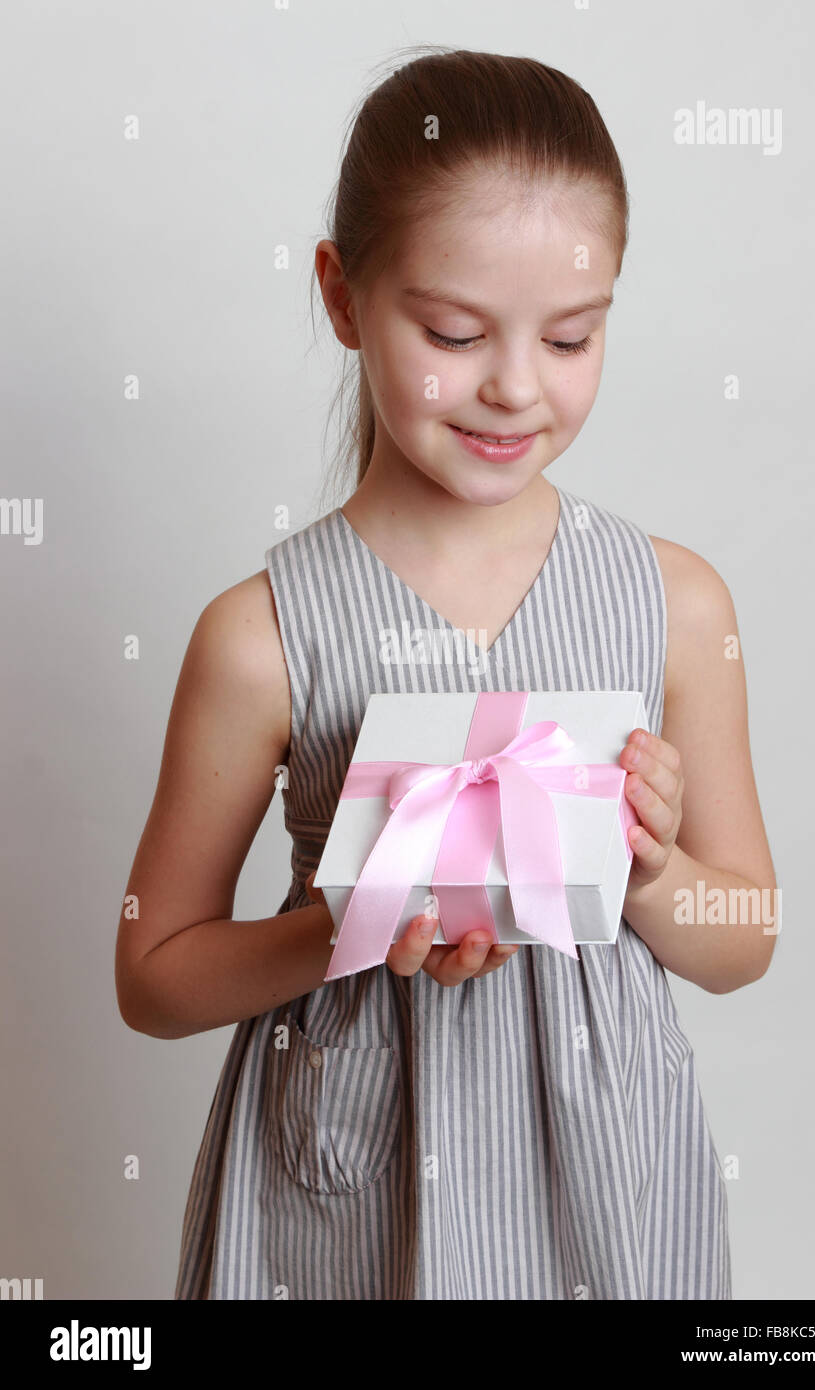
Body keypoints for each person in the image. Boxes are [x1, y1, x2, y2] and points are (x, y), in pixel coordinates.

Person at [115, 45, 777, 1300]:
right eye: (454, 331)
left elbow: (745, 936)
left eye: (571, 337)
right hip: (344, 1181)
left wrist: (651, 864)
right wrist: (347, 924)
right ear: (342, 295)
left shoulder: (672, 605)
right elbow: (152, 973)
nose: (514, 385)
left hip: (604, 1177)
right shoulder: (261, 634)